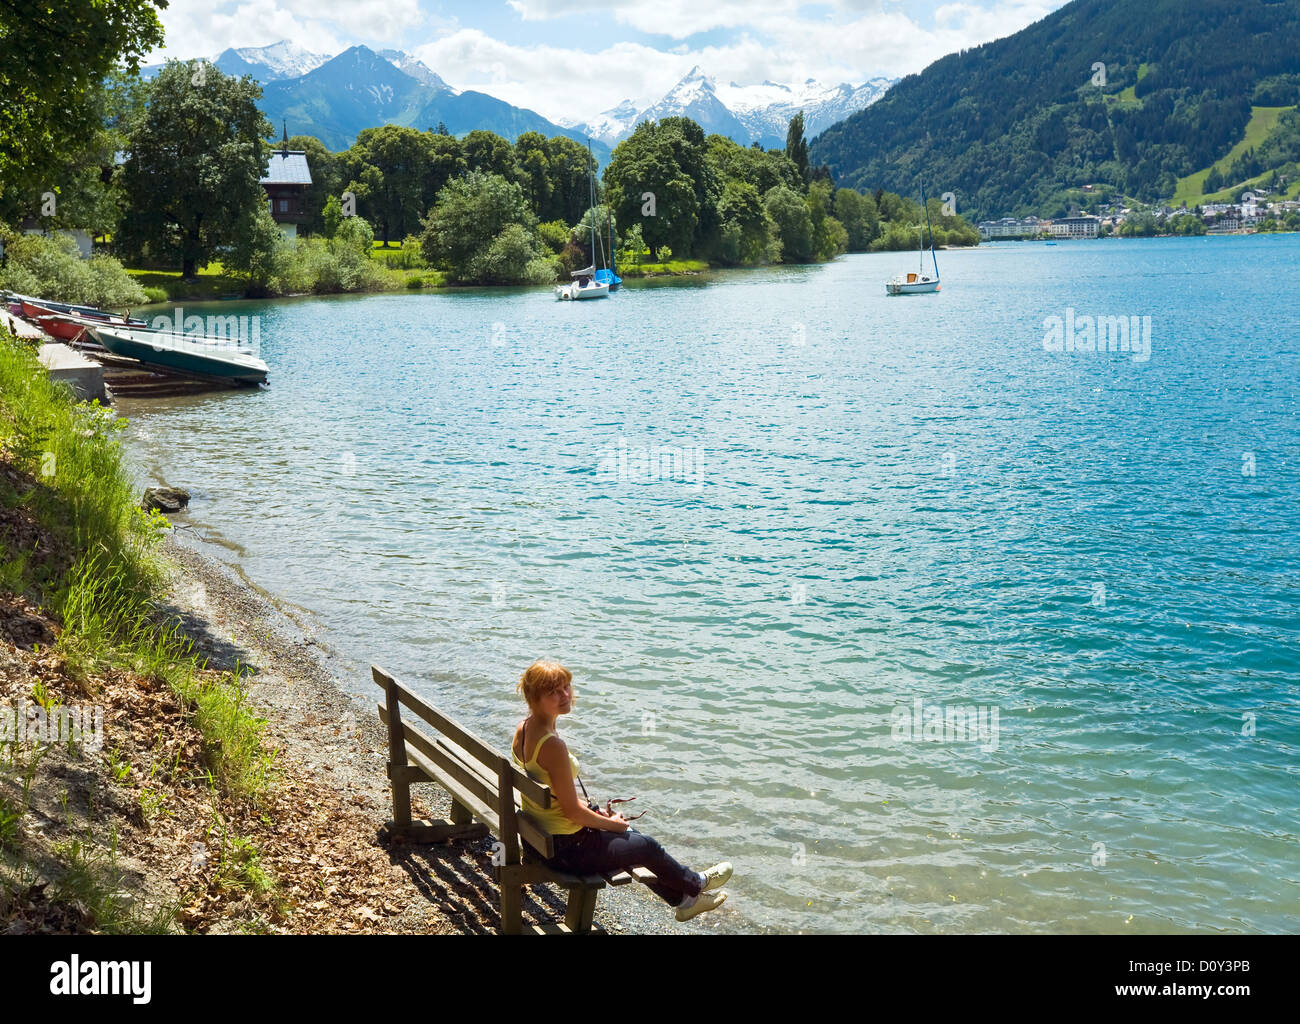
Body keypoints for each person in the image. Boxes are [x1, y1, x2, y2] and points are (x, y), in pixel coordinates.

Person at [511, 659, 732, 922]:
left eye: (566, 687)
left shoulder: (525, 728)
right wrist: (611, 825)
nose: (565, 695)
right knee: (645, 844)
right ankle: (695, 884)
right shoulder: (553, 746)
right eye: (554, 692)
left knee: (630, 834)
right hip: (566, 850)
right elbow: (571, 812)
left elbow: (558, 794)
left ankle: (685, 900)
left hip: (540, 840)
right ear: (534, 698)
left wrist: (603, 819)